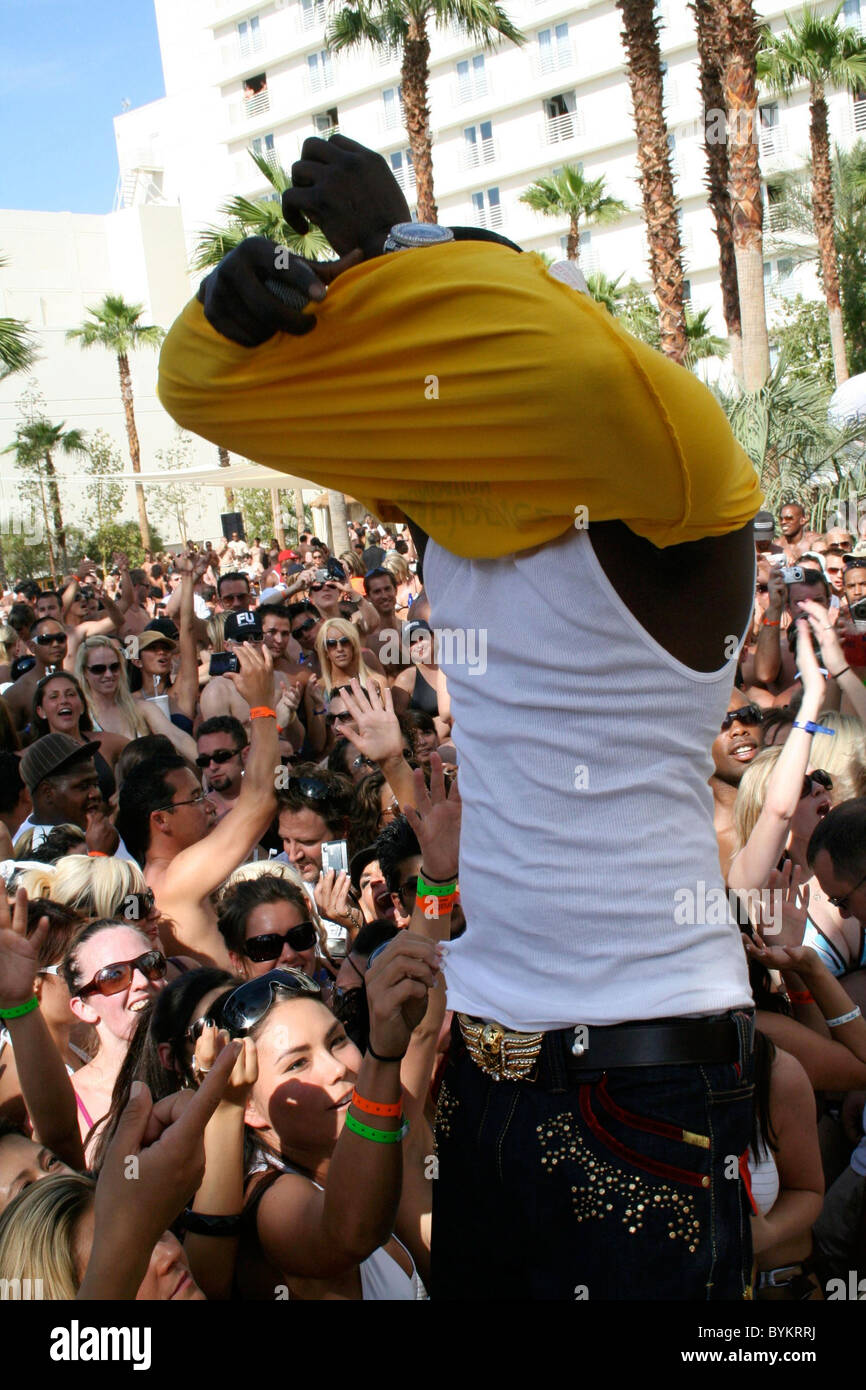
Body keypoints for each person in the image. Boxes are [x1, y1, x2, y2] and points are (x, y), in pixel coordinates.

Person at [157, 133, 767, 1298]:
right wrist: (260, 301)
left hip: (638, 1073)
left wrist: (396, 244)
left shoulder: (681, 524)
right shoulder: (446, 516)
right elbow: (202, 390)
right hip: (483, 1058)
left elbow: (560, 369)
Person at [115, 643, 280, 967]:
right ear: (161, 820)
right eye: (195, 797)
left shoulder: (155, 877)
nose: (209, 807)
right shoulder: (176, 877)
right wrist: (262, 705)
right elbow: (261, 799)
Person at [63, 917, 169, 1158]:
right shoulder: (67, 1105)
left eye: (150, 964)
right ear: (83, 1008)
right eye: (114, 976)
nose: (142, 982)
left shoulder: (202, 1060)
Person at [74, 636, 196, 761]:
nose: (108, 674)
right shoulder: (79, 715)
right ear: (84, 672)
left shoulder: (141, 708)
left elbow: (178, 737)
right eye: (98, 669)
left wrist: (205, 763)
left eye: (114, 667)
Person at [31, 670, 127, 803]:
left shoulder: (106, 743)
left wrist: (123, 794)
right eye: (54, 697)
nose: (64, 701)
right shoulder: (31, 758)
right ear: (41, 711)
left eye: (70, 694)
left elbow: (144, 756)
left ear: (82, 706)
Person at [4, 615, 69, 734]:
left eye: (60, 638)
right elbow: (8, 741)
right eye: (46, 639)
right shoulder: (19, 692)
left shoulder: (76, 680)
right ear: (31, 646)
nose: (55, 644)